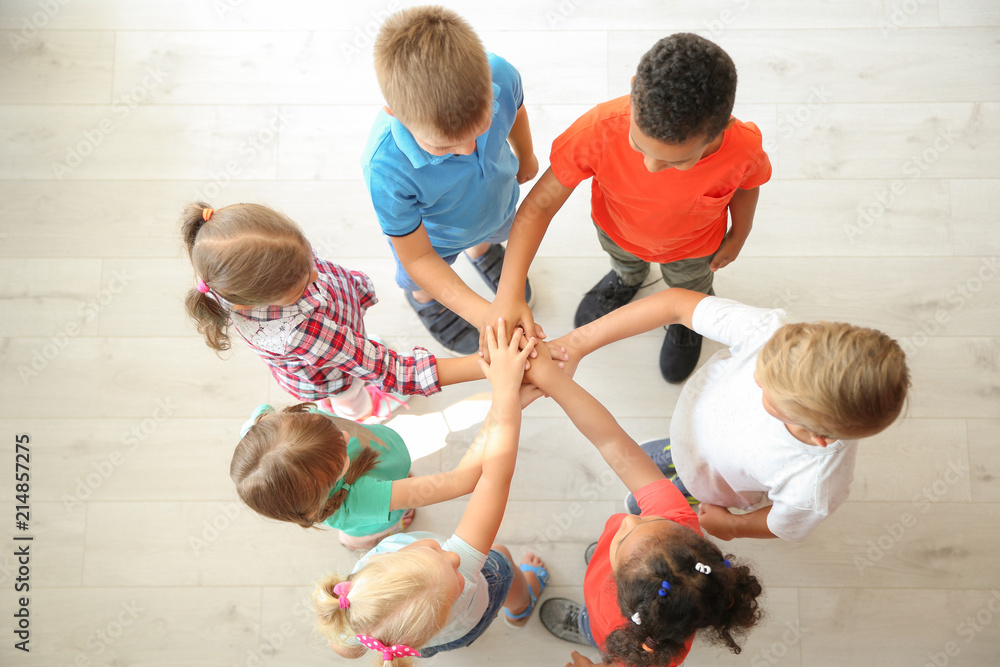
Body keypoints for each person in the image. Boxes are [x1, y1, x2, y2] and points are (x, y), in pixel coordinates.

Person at [482, 32, 771, 383]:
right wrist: (509, 292)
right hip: (616, 231)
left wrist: (741, 232)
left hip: (694, 250)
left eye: (676, 162)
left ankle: (684, 321)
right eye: (639, 145)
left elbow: (747, 185)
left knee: (691, 287)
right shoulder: (597, 130)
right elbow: (540, 205)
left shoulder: (743, 148)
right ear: (634, 90)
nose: (650, 166)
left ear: (721, 129)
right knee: (624, 262)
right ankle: (626, 278)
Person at [552, 288, 911, 542]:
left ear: (818, 436)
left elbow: (780, 524)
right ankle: (677, 457)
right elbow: (677, 304)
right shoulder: (774, 336)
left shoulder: (814, 484)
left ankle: (683, 489)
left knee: (687, 486)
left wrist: (733, 526)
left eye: (768, 390)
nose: (756, 375)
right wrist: (577, 343)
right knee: (681, 451)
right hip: (695, 435)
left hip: (717, 487)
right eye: (765, 364)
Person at [314, 321, 549, 663]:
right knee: (501, 559)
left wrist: (506, 405)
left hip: (443, 640)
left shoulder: (366, 611)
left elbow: (345, 644)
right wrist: (506, 398)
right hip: (481, 603)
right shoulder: (450, 573)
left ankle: (518, 607)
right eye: (454, 574)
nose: (454, 557)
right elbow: (494, 478)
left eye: (438, 555)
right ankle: (522, 604)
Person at [521, 342, 763, 667]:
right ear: (692, 538)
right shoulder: (676, 523)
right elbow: (611, 440)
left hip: (607, 630)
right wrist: (555, 380)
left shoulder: (642, 654)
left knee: (600, 632)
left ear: (621, 592)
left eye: (620, 541)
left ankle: (584, 625)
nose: (628, 521)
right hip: (628, 580)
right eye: (648, 520)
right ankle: (604, 559)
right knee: (609, 556)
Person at [181, 201, 484, 423]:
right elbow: (392, 370)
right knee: (350, 394)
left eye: (309, 258)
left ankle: (356, 372)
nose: (315, 275)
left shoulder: (227, 275)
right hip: (329, 373)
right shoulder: (303, 332)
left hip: (337, 340)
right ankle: (365, 411)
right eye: (301, 286)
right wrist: (486, 364)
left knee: (356, 357)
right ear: (253, 302)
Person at [363, 5, 539, 354]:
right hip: (433, 241)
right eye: (444, 145)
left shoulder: (500, 75)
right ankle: (424, 300)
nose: (466, 150)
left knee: (493, 230)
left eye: (481, 128)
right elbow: (418, 258)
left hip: (497, 201)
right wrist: (485, 314)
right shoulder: (385, 168)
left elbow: (516, 109)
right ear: (395, 115)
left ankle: (481, 249)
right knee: (423, 280)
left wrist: (527, 154)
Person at [232, 401, 490, 550]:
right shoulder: (360, 498)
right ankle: (357, 541)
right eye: (342, 453)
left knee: (399, 487)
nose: (345, 435)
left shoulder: (268, 427)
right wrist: (500, 412)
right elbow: (460, 481)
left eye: (329, 426)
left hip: (384, 467)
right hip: (372, 509)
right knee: (360, 532)